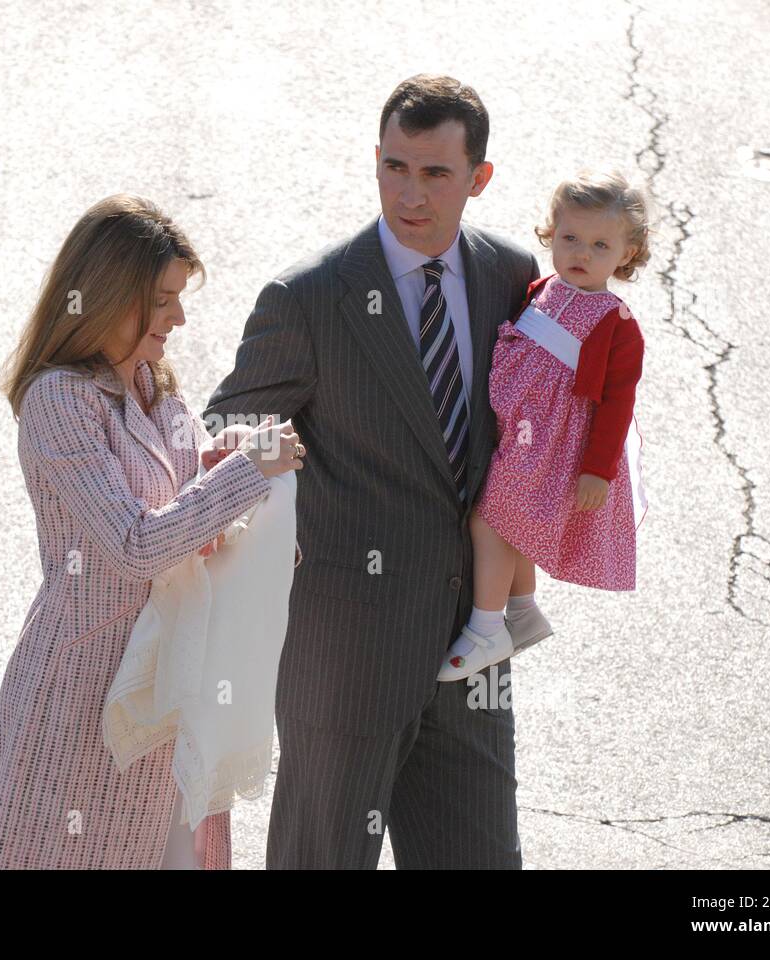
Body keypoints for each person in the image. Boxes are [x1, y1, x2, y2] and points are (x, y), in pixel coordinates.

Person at [202, 74, 537, 868]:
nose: (410, 193)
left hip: (471, 647)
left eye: (435, 173)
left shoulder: (514, 276)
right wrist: (256, 473)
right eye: (394, 167)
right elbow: (222, 427)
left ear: (479, 179)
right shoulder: (310, 296)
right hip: (344, 654)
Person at [0, 193, 304, 870]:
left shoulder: (155, 386)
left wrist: (227, 458)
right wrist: (242, 473)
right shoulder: (58, 401)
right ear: (105, 296)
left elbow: (186, 501)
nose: (179, 317)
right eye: (162, 299)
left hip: (166, 687)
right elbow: (135, 545)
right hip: (80, 697)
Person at [438, 170, 651, 681]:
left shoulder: (615, 324)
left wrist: (596, 470)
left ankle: (488, 626)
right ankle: (524, 611)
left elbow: (618, 405)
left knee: (490, 521)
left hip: (556, 450)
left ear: (626, 253)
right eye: (570, 237)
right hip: (518, 435)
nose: (581, 252)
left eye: (600, 244)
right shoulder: (542, 288)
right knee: (509, 525)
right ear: (550, 233)